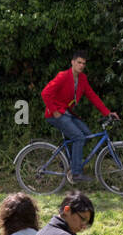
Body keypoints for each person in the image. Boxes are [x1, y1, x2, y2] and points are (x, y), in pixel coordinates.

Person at [40, 51, 117, 184]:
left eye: (84, 63)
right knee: (78, 137)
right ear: (73, 62)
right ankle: (76, 173)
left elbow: (93, 96)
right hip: (56, 114)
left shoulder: (82, 79)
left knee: (86, 134)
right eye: (79, 62)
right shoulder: (63, 76)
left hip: (68, 113)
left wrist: (107, 113)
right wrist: (54, 111)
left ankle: (68, 162)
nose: (81, 65)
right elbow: (45, 93)